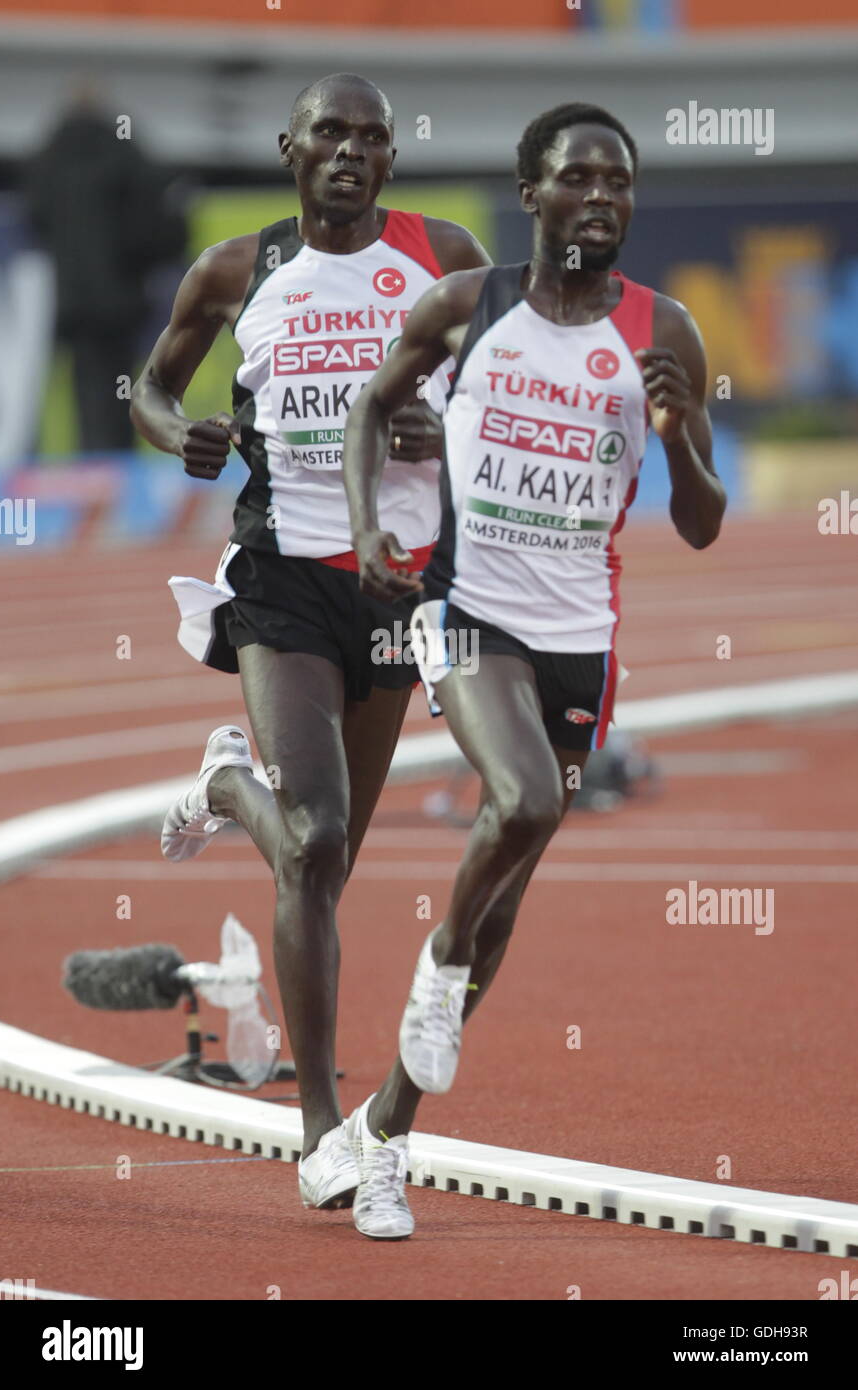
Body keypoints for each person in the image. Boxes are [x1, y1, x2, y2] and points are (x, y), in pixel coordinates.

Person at [343, 102, 726, 1239]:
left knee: (510, 870)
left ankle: (384, 1134)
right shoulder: (472, 307)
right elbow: (374, 405)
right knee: (513, 802)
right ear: (531, 192)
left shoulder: (667, 329)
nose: (600, 197)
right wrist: (369, 524)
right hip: (465, 610)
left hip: (579, 636)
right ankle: (437, 959)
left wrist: (679, 436)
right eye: (578, 177)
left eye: (618, 181)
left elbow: (702, 525)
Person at [129, 73, 490, 1228]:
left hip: (392, 587)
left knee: (324, 868)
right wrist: (179, 432)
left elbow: (504, 387)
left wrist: (452, 428)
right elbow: (150, 382)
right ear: (289, 147)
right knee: (318, 837)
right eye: (330, 132)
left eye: (372, 137)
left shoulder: (444, 251)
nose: (350, 151)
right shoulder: (238, 269)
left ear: (390, 160)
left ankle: (228, 781)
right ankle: (320, 1132)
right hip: (281, 577)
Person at [24, 81, 187, 452]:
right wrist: (139, 262)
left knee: (83, 385)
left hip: (70, 299)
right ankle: (115, 466)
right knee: (122, 385)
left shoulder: (50, 156)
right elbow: (158, 220)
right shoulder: (125, 152)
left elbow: (34, 216)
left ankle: (92, 461)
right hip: (120, 296)